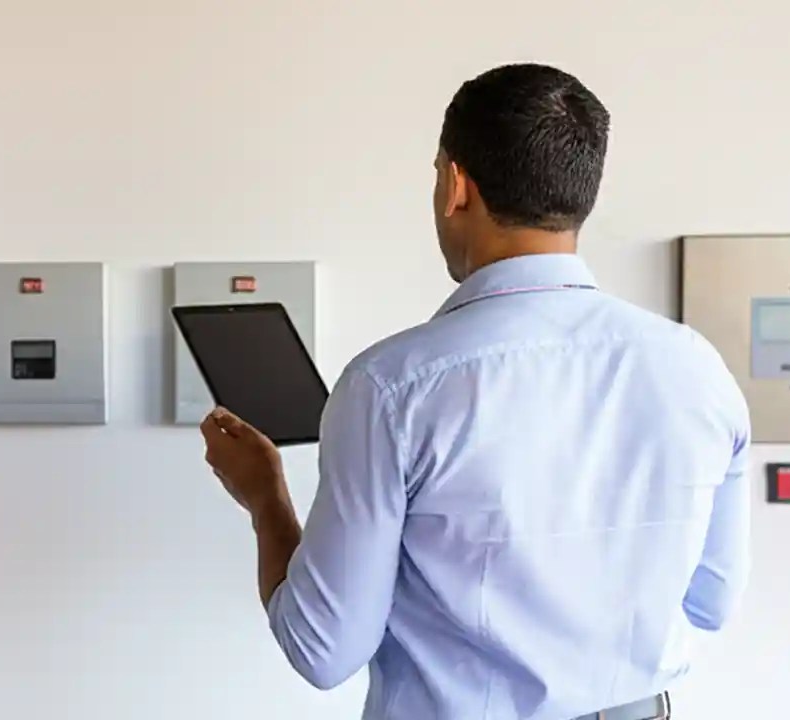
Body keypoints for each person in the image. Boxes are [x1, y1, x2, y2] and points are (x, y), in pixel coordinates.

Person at [199, 63, 751, 720]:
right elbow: (712, 602)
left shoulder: (393, 387)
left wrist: (266, 499)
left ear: (455, 185)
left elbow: (321, 648)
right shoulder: (696, 368)